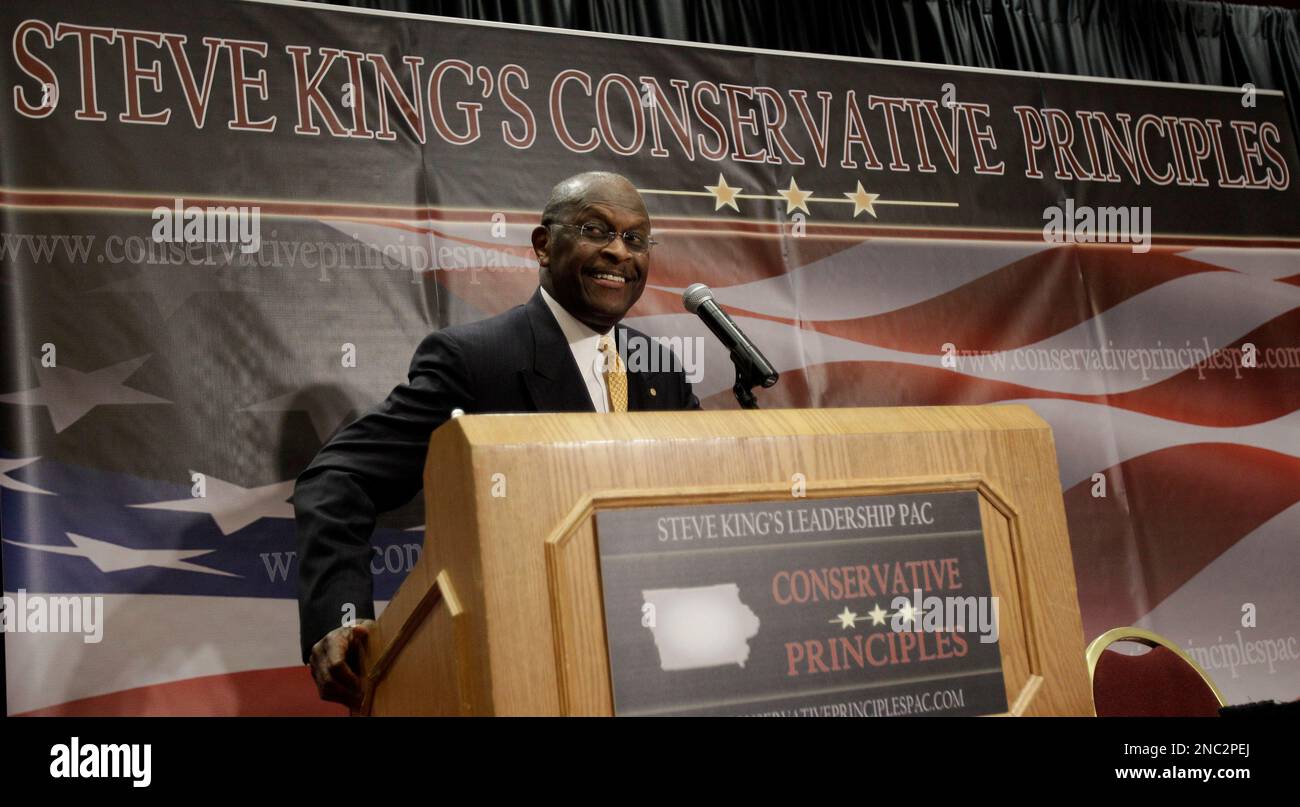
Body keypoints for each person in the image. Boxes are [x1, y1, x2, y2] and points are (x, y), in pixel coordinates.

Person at [294, 171, 701, 708]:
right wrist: (341, 617)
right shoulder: (475, 360)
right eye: (595, 230)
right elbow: (338, 479)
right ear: (542, 244)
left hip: (653, 658)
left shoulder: (659, 370)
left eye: (634, 238)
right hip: (526, 665)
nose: (618, 252)